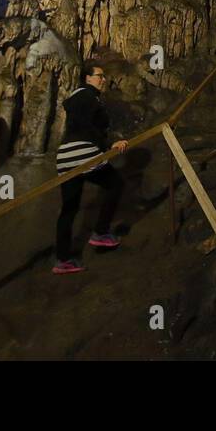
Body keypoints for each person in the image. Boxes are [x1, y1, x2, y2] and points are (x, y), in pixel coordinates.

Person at [52, 63, 129, 275]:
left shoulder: (83, 97)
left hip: (66, 156)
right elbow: (86, 124)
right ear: (87, 78)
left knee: (69, 209)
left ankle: (63, 259)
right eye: (99, 76)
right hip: (82, 152)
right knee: (115, 184)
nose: (103, 79)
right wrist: (107, 145)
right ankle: (101, 233)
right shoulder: (84, 96)